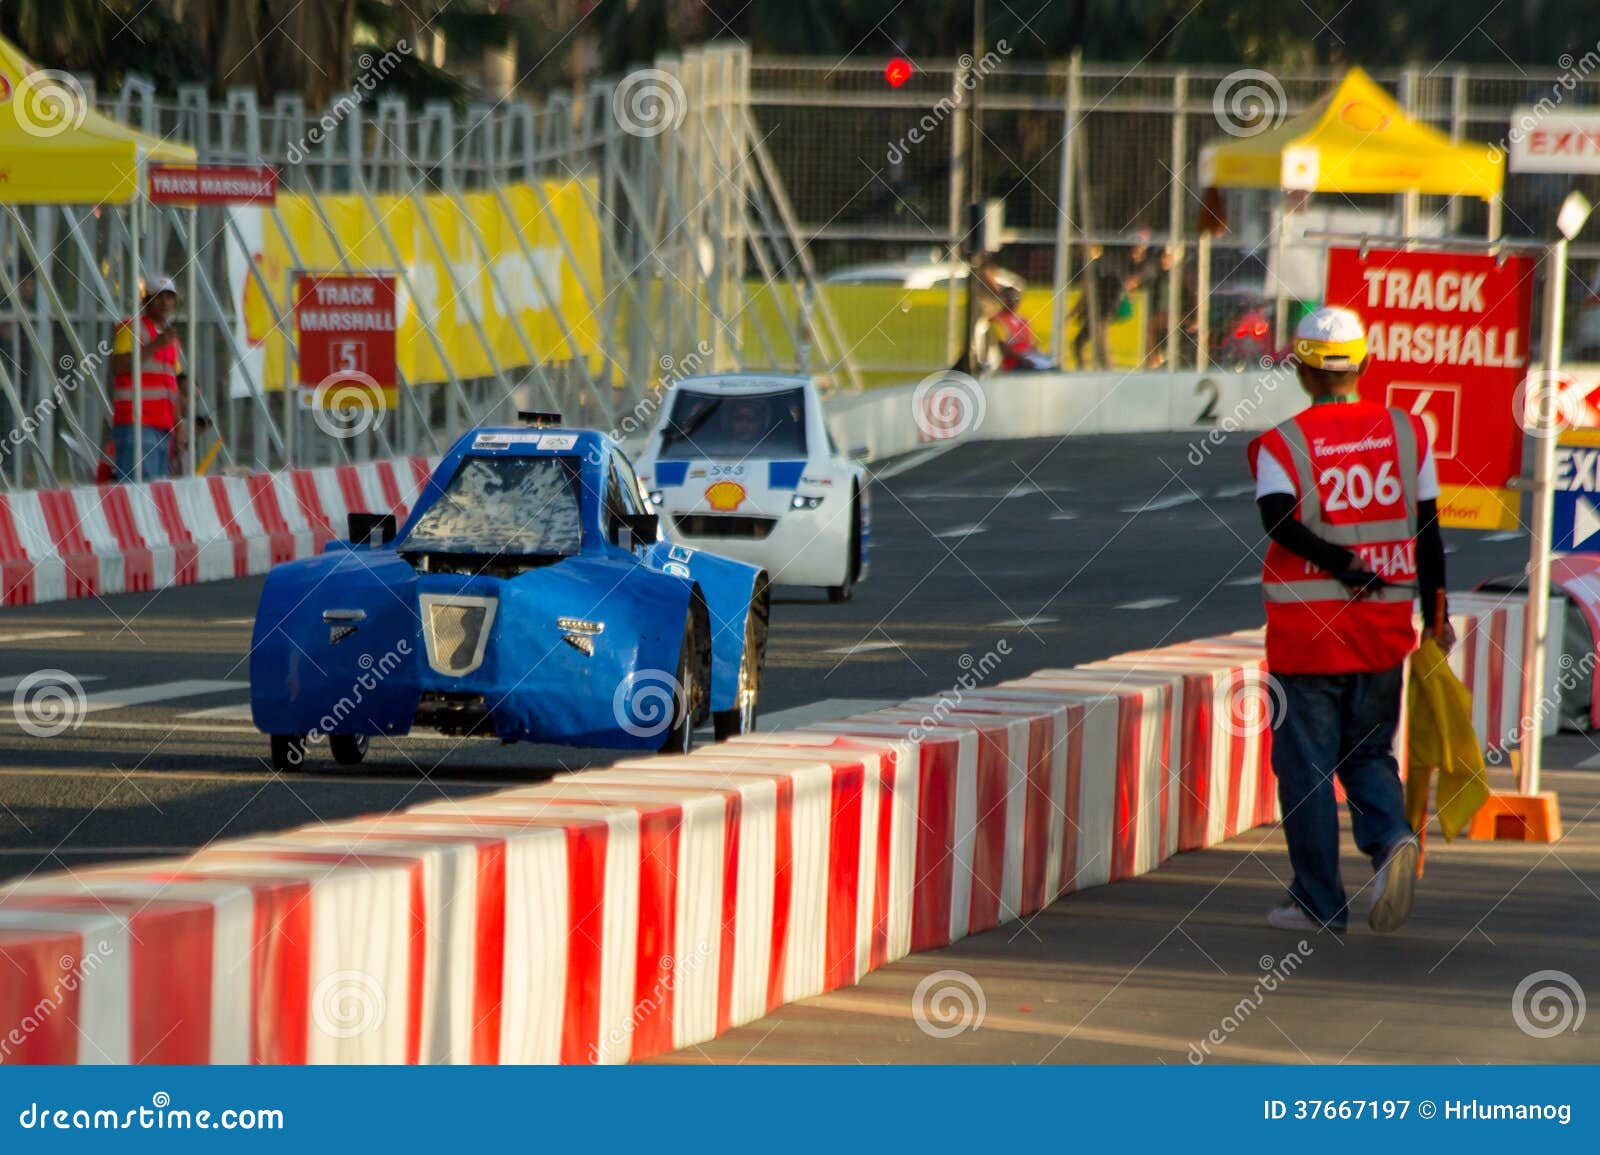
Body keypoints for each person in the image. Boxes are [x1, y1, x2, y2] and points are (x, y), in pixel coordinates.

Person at [1248, 305, 1453, 935]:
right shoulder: (1408, 432)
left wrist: (1339, 560)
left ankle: (1317, 901)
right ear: (1363, 363)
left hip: (1307, 638)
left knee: (1305, 768)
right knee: (1369, 754)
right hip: (1382, 633)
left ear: (1302, 373)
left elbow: (1279, 521)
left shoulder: (1282, 443)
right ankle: (1391, 840)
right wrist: (1435, 615)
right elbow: (1428, 532)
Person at [109, 275, 184, 481]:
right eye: (159, 297)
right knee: (137, 489)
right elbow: (118, 366)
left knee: (155, 491)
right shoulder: (131, 328)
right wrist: (154, 346)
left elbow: (172, 386)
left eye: (169, 298)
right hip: (137, 423)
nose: (165, 303)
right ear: (146, 300)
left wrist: (178, 425)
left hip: (163, 425)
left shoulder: (170, 338)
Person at [985, 283, 1052, 372]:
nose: (1013, 301)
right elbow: (1003, 347)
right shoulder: (996, 320)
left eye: (1016, 298)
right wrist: (1024, 359)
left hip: (1028, 360)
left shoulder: (1024, 320)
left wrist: (1039, 356)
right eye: (1009, 298)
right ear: (1002, 300)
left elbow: (1030, 345)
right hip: (1012, 364)